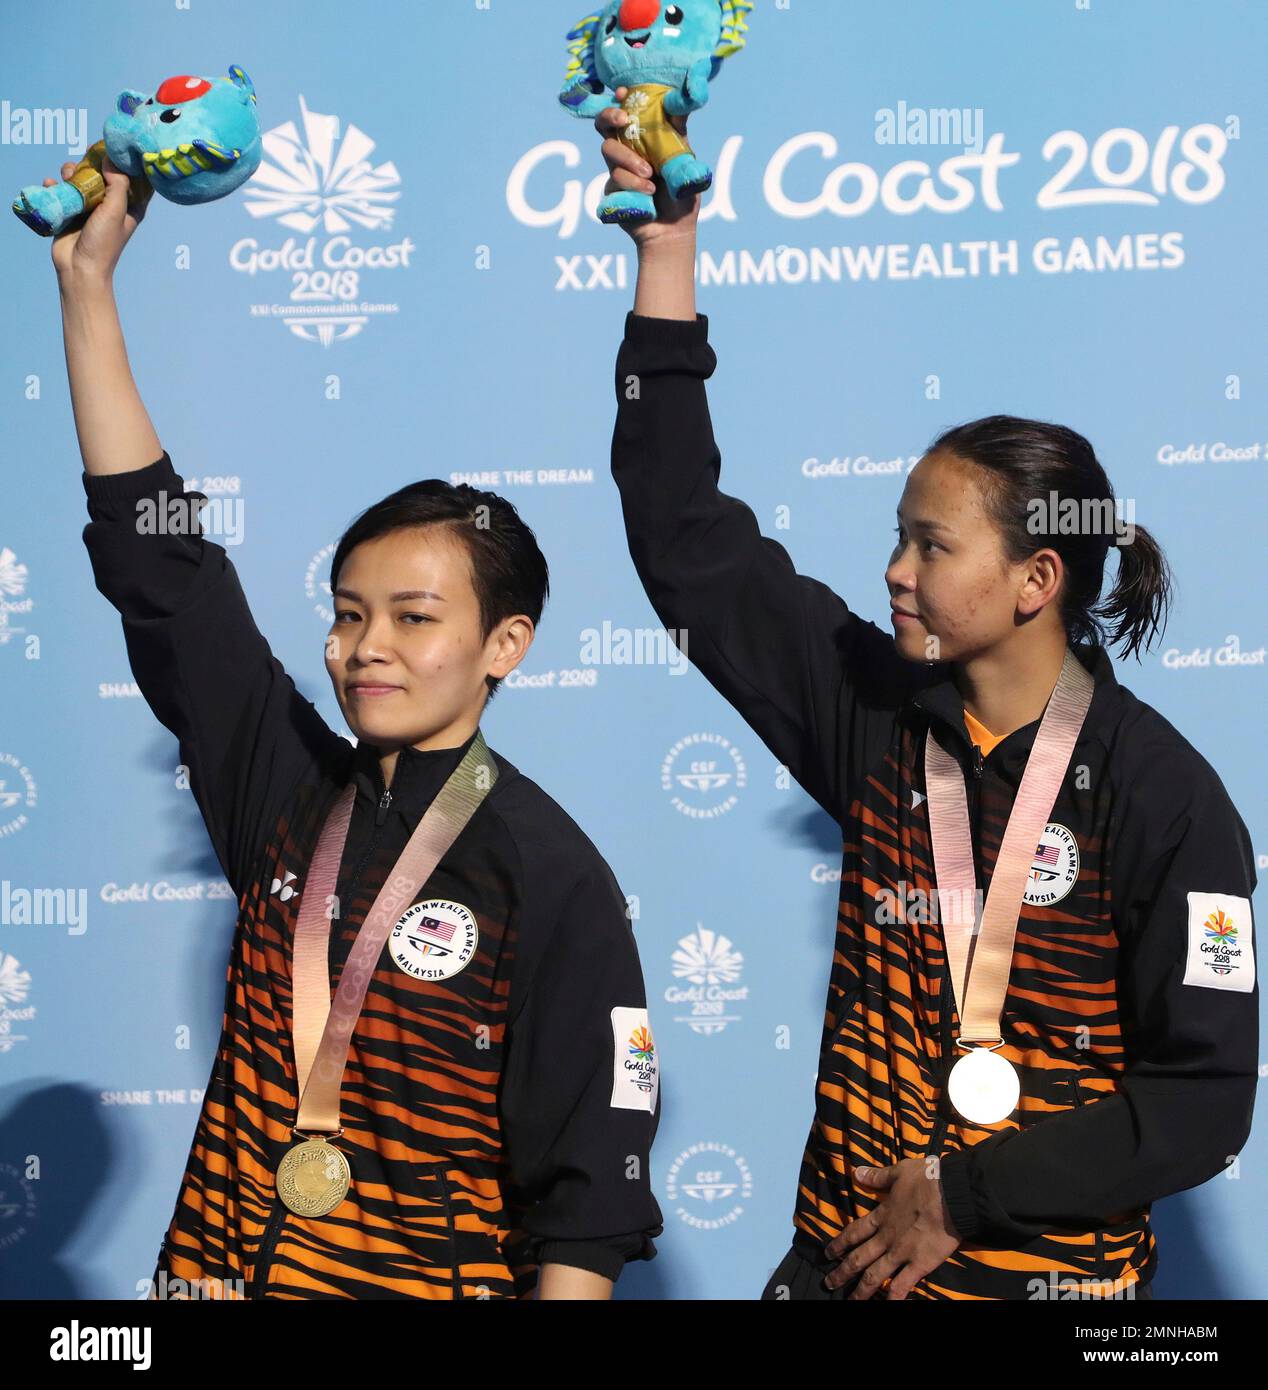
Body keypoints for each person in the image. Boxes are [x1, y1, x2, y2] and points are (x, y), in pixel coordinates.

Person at [593, 95, 1258, 1301]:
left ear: (1032, 578)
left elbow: (1201, 1104)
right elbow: (680, 534)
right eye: (895, 538)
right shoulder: (870, 711)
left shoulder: (1165, 797)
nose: (893, 572)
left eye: (929, 546)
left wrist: (968, 1189)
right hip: (838, 1274)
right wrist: (667, 256)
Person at [51, 155, 662, 1300]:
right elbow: (164, 569)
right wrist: (87, 289)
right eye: (346, 614)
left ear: (505, 643)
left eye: (413, 617)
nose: (365, 645)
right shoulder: (285, 789)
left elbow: (586, 1203)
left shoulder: (551, 870)